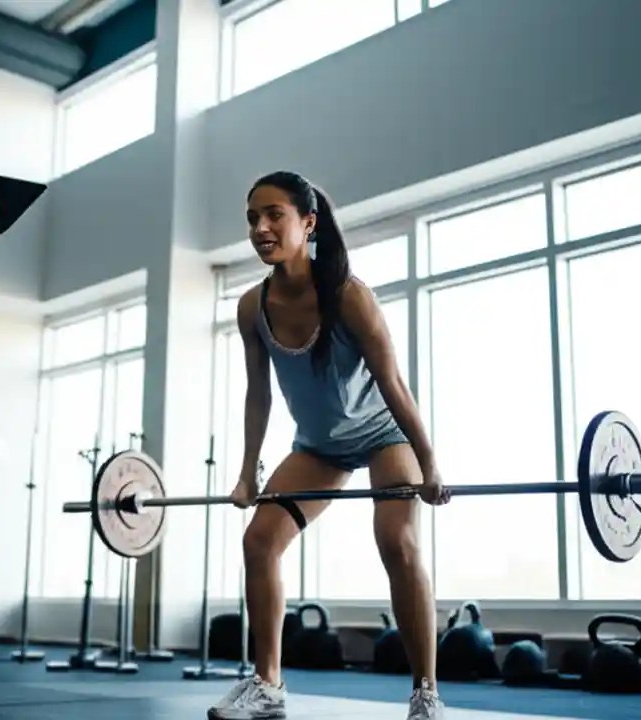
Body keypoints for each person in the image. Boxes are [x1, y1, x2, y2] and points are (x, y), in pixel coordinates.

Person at [207, 171, 450, 720]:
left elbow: (394, 385)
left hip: (384, 435)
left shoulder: (348, 295)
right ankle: (267, 687)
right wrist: (248, 473)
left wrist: (429, 462)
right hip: (317, 446)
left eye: (274, 215)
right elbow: (257, 396)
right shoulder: (252, 307)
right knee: (258, 541)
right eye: (252, 218)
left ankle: (426, 693)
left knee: (398, 543)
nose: (260, 227)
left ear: (307, 223)